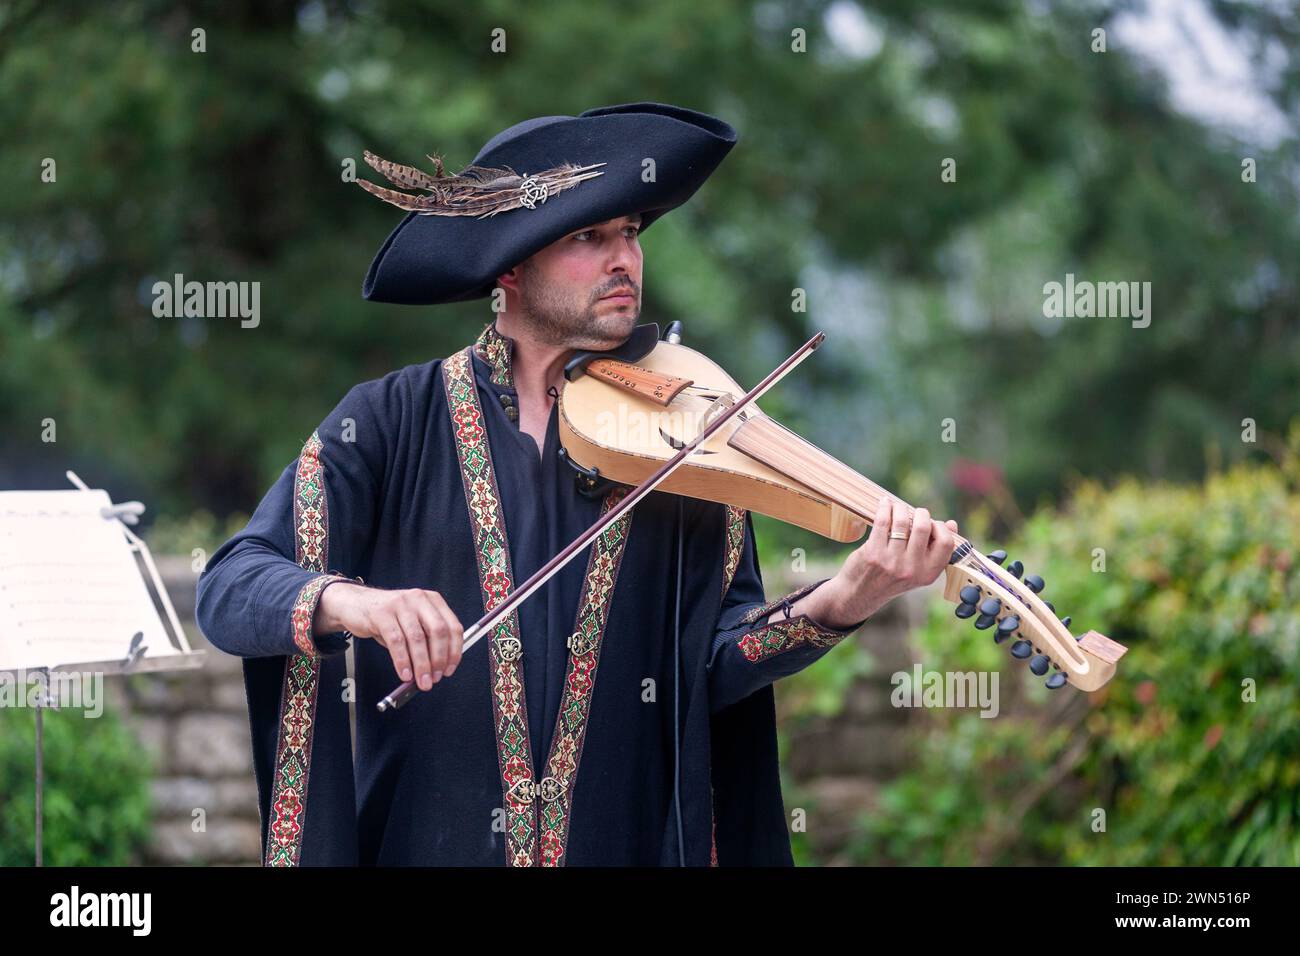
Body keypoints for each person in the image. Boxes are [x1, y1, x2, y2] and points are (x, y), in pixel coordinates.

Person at [195, 102, 958, 866]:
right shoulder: (388, 422)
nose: (624, 258)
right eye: (589, 238)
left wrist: (848, 596)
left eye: (629, 232)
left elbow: (715, 664)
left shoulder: (683, 440)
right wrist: (352, 602)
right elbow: (231, 587)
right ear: (510, 267)